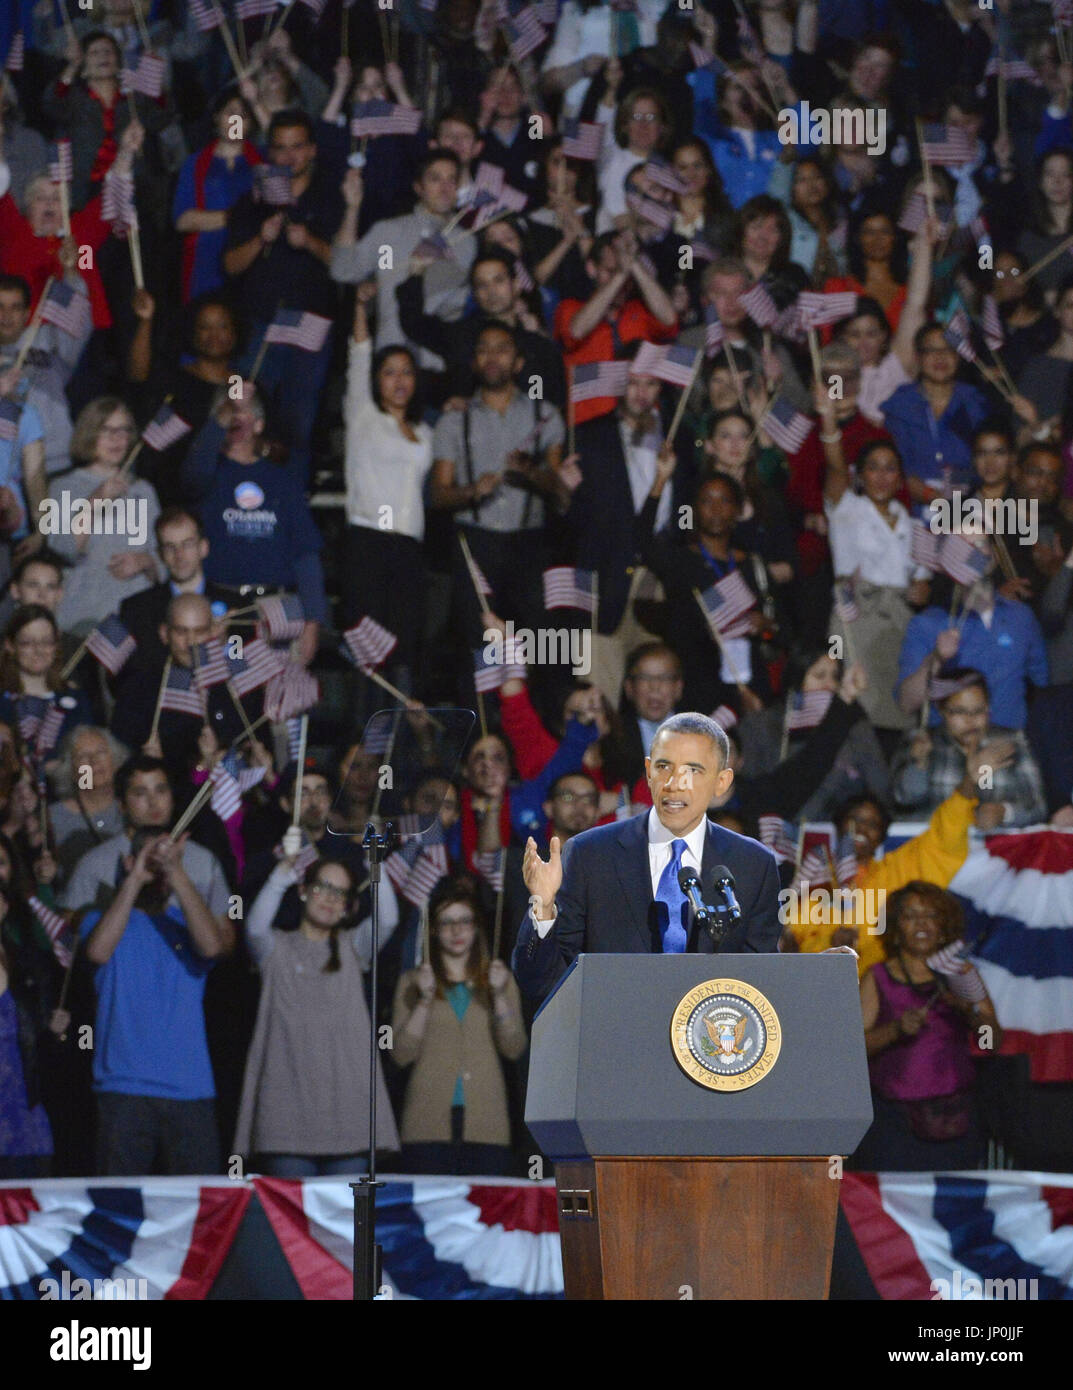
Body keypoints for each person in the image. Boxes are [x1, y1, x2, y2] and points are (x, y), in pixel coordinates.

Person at [513, 711, 783, 1000]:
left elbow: (761, 985)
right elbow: (543, 982)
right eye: (664, 766)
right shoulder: (590, 855)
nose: (675, 783)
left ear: (722, 781)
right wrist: (543, 908)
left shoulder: (754, 864)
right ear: (649, 771)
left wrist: (818, 970)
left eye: (693, 770)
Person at [67, 755, 234, 1175]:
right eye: (140, 792)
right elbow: (95, 953)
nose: (153, 802)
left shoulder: (184, 919)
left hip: (190, 1090)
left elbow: (215, 946)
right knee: (118, 1212)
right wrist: (135, 878)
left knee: (196, 1218)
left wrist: (176, 873)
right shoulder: (102, 916)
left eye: (161, 790)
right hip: (123, 1090)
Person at [234, 855, 399, 1176]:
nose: (330, 898)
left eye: (340, 893)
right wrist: (280, 875)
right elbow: (254, 926)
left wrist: (375, 865)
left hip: (346, 1112)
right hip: (286, 1114)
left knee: (345, 1224)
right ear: (304, 890)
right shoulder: (275, 948)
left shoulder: (354, 947)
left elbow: (388, 920)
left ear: (349, 906)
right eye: (323, 887)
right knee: (291, 1223)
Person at [855, 881, 1000, 1172]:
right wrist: (895, 1031)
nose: (921, 923)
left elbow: (991, 1041)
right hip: (892, 1123)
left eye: (931, 915)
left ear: (944, 925)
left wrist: (969, 1012)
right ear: (896, 928)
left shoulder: (962, 974)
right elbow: (853, 1050)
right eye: (910, 916)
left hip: (955, 1121)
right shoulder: (878, 976)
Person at [180, 380, 327, 665]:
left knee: (273, 701)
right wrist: (222, 415)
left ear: (259, 425)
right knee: (229, 696)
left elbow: (306, 555)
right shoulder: (208, 476)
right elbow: (192, 477)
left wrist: (312, 624)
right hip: (222, 609)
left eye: (242, 410)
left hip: (276, 611)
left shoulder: (284, 481)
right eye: (228, 412)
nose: (235, 417)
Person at [391, 880, 526, 1175]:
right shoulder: (411, 982)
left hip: (487, 1124)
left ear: (476, 927)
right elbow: (400, 1055)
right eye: (447, 922)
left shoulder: (500, 979)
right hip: (425, 1125)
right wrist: (424, 1001)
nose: (456, 931)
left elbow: (514, 1049)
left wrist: (500, 995)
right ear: (434, 930)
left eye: (464, 921)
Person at [46, 396, 160, 637]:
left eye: (124, 430)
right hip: (84, 618)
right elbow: (63, 547)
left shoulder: (144, 491)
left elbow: (162, 559)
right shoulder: (64, 486)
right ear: (90, 434)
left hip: (135, 618)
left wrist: (145, 562)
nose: (117, 439)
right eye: (107, 430)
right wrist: (97, 499)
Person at [890, 669, 1046, 828]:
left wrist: (1004, 812)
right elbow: (903, 802)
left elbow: (1038, 807)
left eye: (979, 711)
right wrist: (919, 764)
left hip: (996, 846)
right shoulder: (921, 741)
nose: (971, 720)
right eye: (960, 712)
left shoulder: (1011, 743)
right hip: (935, 846)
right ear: (942, 710)